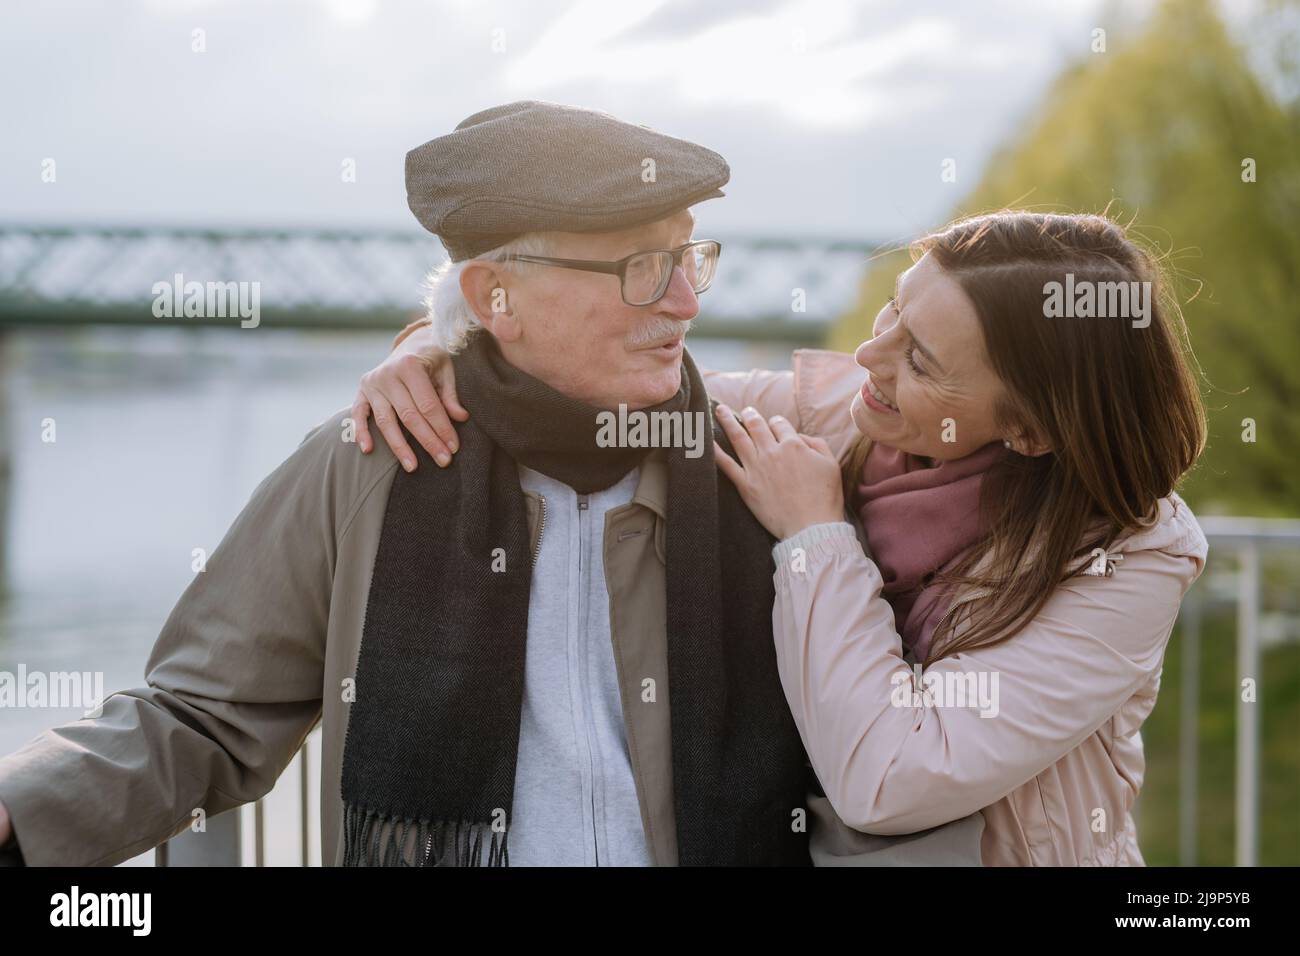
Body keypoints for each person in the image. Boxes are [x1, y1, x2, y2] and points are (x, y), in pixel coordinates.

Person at [0, 101, 983, 867]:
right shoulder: (366, 466)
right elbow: (200, 716)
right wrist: (21, 807)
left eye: (689, 255)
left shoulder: (774, 465)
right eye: (642, 266)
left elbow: (885, 763)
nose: (684, 299)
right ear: (492, 296)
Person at [355, 209, 1209, 865]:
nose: (869, 358)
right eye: (892, 312)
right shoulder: (839, 415)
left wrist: (814, 535)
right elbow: (596, 387)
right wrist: (442, 341)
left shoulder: (1133, 560)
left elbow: (886, 775)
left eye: (921, 362)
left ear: (1028, 431)